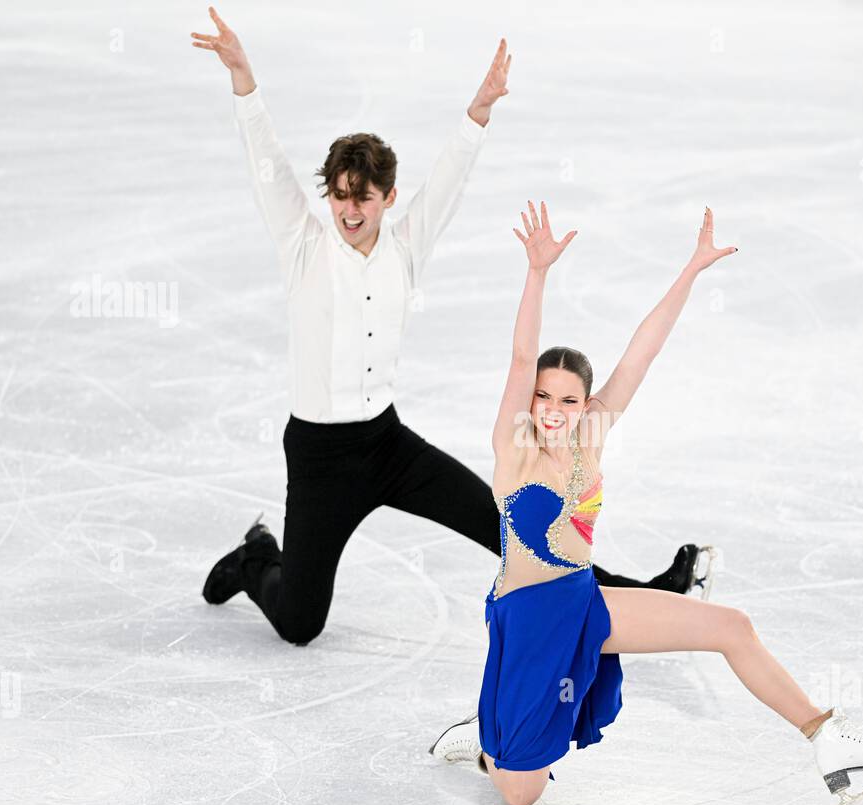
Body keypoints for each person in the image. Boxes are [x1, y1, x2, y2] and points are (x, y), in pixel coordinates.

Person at [189, 8, 705, 646]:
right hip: (320, 458)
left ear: (388, 197)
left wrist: (479, 110)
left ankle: (639, 593)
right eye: (340, 196)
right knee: (299, 624)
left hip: (387, 445)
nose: (349, 210)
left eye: (363, 197)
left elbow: (449, 184)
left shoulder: (404, 248)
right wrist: (243, 77)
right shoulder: (302, 245)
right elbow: (265, 163)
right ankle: (255, 558)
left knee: (511, 523)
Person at [430, 202, 863, 805]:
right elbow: (518, 355)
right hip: (528, 617)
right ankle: (486, 742)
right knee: (520, 795)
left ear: (586, 404)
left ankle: (830, 741)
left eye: (568, 397)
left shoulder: (591, 437)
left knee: (731, 627)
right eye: (542, 395)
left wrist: (690, 270)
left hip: (583, 602)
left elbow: (642, 352)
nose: (553, 408)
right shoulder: (515, 448)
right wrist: (537, 274)